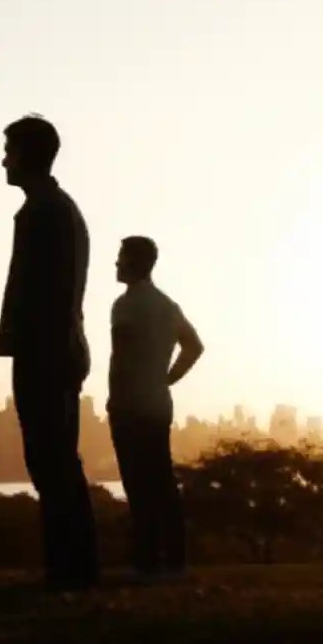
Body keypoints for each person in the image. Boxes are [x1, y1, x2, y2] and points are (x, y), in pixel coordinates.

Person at [0, 114, 99, 591]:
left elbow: (39, 289)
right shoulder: (59, 209)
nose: (3, 162)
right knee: (58, 457)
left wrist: (22, 340)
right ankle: (73, 563)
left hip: (46, 347)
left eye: (9, 151)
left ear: (27, 156)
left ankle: (69, 565)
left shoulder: (42, 212)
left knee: (49, 458)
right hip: (60, 345)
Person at [107, 236, 204, 581]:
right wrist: (168, 378)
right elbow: (194, 346)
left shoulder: (125, 305)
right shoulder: (167, 305)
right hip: (159, 404)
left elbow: (121, 356)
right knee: (162, 482)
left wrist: (115, 398)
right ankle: (175, 559)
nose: (116, 264)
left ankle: (147, 560)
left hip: (130, 404)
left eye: (120, 258)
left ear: (134, 261)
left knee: (137, 483)